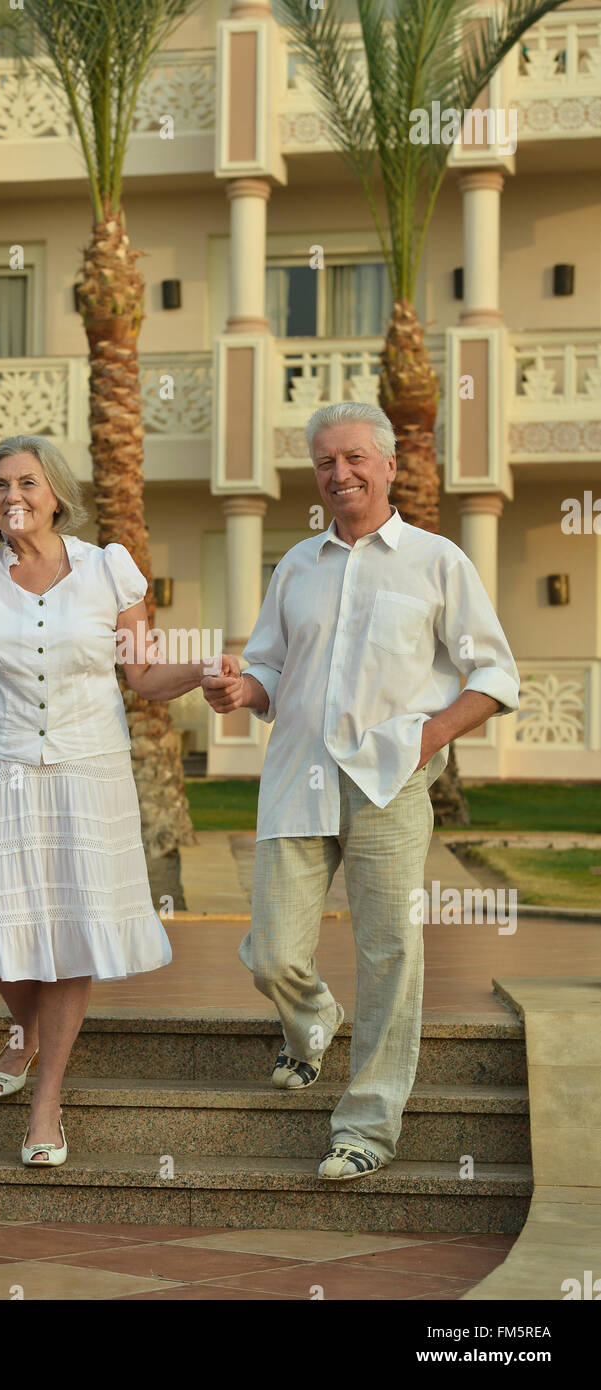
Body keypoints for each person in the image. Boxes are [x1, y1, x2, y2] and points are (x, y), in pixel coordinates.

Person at [0, 434, 231, 1166]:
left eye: (28, 483)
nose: (15, 496)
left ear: (58, 494)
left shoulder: (108, 569)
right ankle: (27, 1029)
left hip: (87, 762)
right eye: (1, 486)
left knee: (70, 925)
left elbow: (139, 677)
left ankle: (47, 1098)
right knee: (6, 920)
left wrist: (200, 671)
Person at [202, 400, 520, 1181]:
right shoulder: (296, 566)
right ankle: (311, 1021)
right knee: (272, 951)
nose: (337, 474)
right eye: (323, 463)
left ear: (386, 466)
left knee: (388, 953)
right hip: (295, 778)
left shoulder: (437, 560)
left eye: (351, 459)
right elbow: (270, 666)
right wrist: (243, 693)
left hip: (389, 782)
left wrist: (427, 736)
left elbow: (495, 675)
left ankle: (366, 1128)